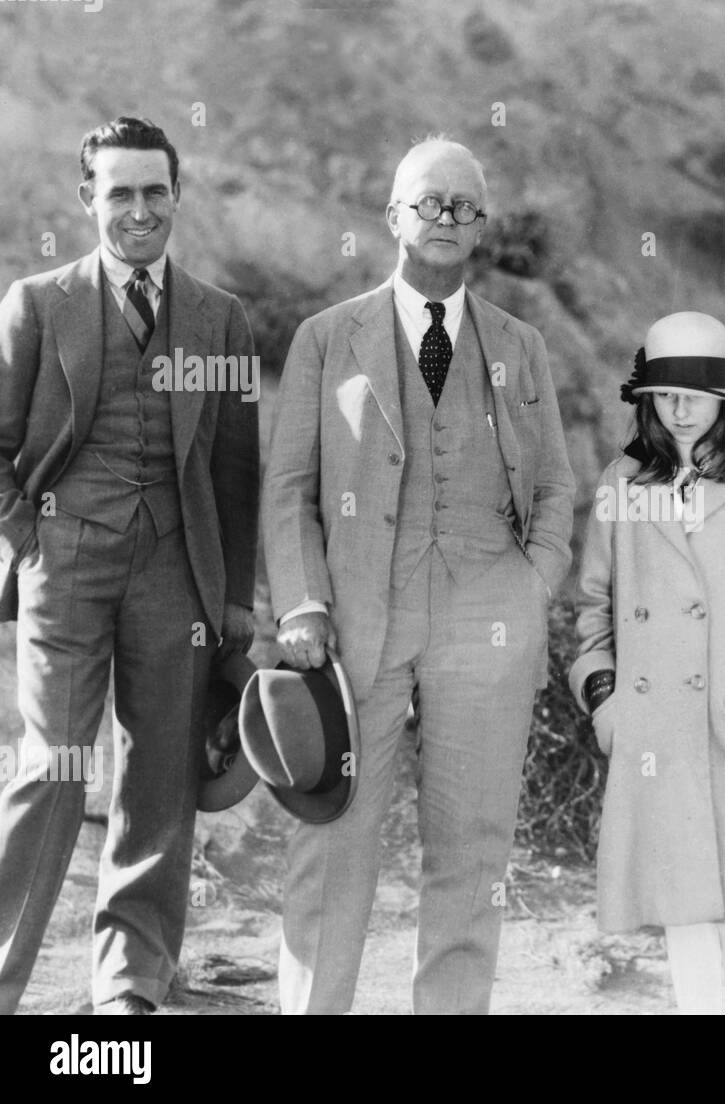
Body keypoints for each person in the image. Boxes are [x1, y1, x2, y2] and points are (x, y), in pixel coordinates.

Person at [263, 136, 575, 1015]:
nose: (446, 218)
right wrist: (303, 602)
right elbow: (288, 491)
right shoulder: (328, 340)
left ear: (481, 228)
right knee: (332, 842)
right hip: (356, 626)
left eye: (464, 207)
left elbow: (554, 486)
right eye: (429, 202)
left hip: (488, 626)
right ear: (393, 214)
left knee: (473, 849)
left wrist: (531, 585)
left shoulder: (521, 345)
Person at [0, 116, 259, 1014]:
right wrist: (29, 543)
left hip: (176, 570)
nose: (139, 210)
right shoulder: (37, 303)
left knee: (161, 776)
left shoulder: (220, 318)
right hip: (64, 558)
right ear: (88, 201)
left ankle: (131, 982)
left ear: (177, 197)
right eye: (120, 193)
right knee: (56, 765)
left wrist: (232, 606)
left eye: (156, 192)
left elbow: (234, 467)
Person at [569, 311, 725, 1013]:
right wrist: (608, 700)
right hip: (658, 732)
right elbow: (593, 606)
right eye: (665, 393)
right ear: (647, 398)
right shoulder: (622, 480)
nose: (678, 407)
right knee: (685, 915)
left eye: (695, 394)